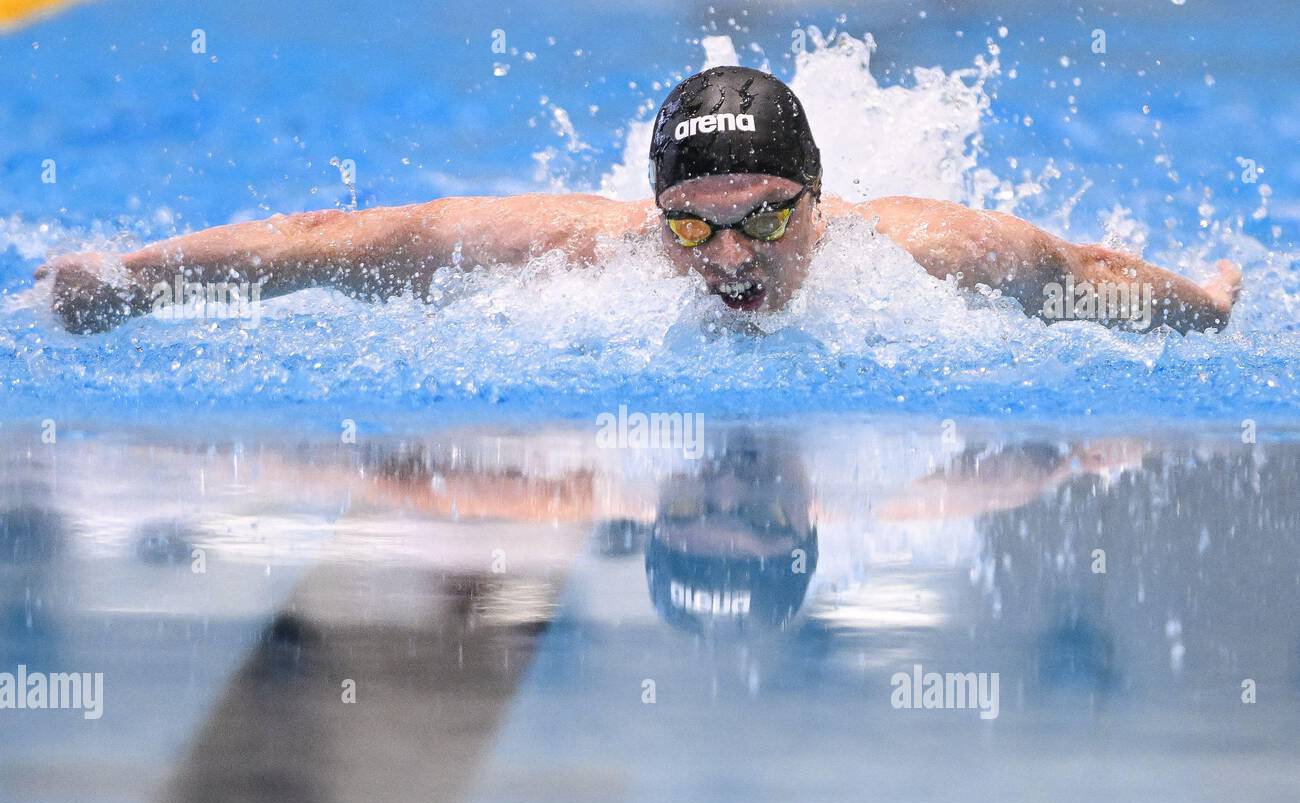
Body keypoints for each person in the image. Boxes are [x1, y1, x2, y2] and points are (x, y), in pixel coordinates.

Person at [36, 66, 1242, 335]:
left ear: (819, 204)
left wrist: (1210, 307)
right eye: (693, 222)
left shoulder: (929, 256)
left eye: (767, 216)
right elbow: (335, 246)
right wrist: (133, 282)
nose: (731, 256)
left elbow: (1084, 275)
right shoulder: (573, 257)